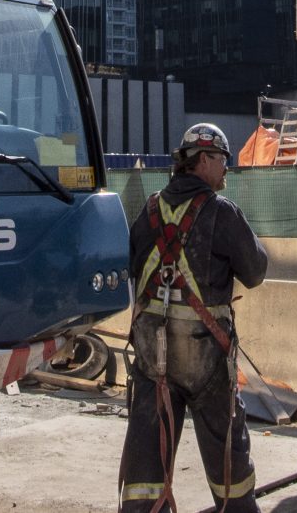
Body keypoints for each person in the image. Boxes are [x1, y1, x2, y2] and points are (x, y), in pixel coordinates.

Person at [118, 123, 270, 513]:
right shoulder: (222, 213)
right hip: (206, 361)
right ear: (203, 160)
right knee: (228, 463)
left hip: (154, 362)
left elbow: (132, 266)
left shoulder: (148, 211)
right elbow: (254, 273)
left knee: (145, 466)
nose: (226, 169)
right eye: (222, 160)